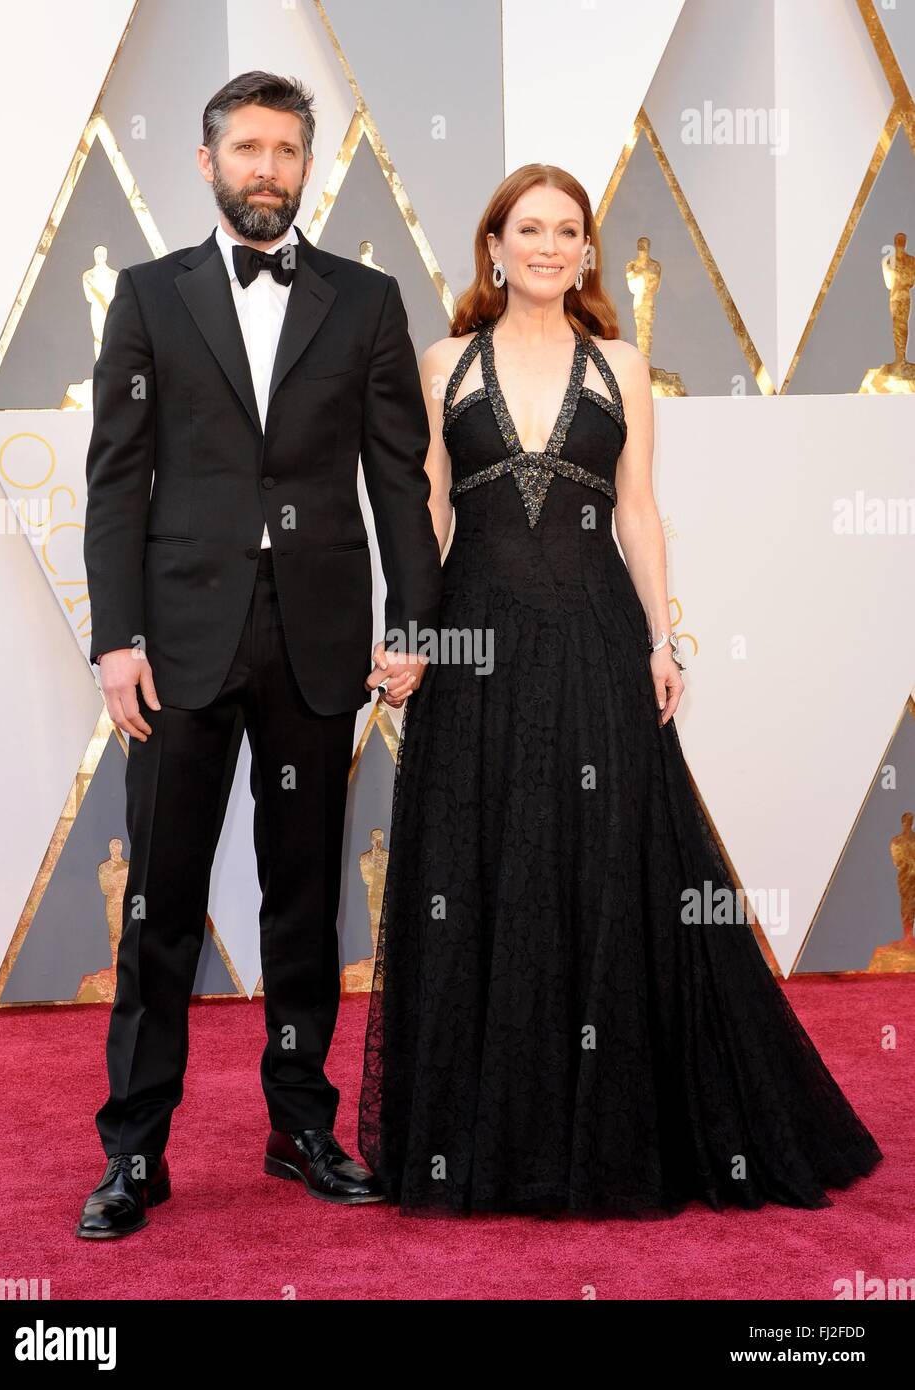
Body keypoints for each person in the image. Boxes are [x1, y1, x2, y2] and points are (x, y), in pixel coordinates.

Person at [357, 164, 883, 1217]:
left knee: (607, 862)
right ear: (492, 247)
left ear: (585, 253)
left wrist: (662, 637)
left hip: (598, 638)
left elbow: (638, 512)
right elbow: (424, 512)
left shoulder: (623, 367)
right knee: (481, 859)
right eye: (528, 229)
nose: (548, 246)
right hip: (475, 645)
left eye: (567, 230)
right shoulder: (442, 362)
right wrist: (408, 635)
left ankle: (614, 1126)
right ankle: (482, 1139)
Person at [76, 71, 440, 1238]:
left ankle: (301, 1126)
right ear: (207, 160)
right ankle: (135, 1150)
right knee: (159, 906)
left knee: (303, 902)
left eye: (286, 150)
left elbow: (398, 477)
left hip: (321, 644)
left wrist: (412, 622)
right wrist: (116, 638)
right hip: (179, 644)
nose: (267, 169)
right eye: (247, 148)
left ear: (307, 163)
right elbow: (115, 481)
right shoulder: (145, 296)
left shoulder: (367, 300)